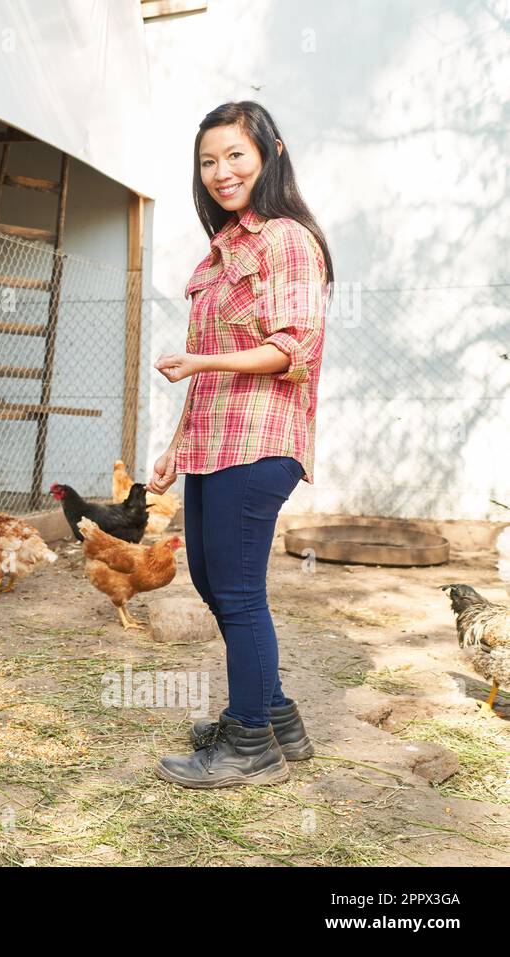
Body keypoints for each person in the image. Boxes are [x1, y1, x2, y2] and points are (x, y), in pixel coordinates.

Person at [148, 102, 331, 788]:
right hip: (215, 436)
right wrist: (174, 443)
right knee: (210, 579)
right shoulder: (225, 246)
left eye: (235, 155)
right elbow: (210, 353)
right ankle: (274, 716)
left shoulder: (284, 239)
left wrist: (199, 365)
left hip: (261, 438)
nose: (221, 171)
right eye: (208, 160)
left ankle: (250, 745)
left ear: (270, 152)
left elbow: (294, 349)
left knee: (239, 590)